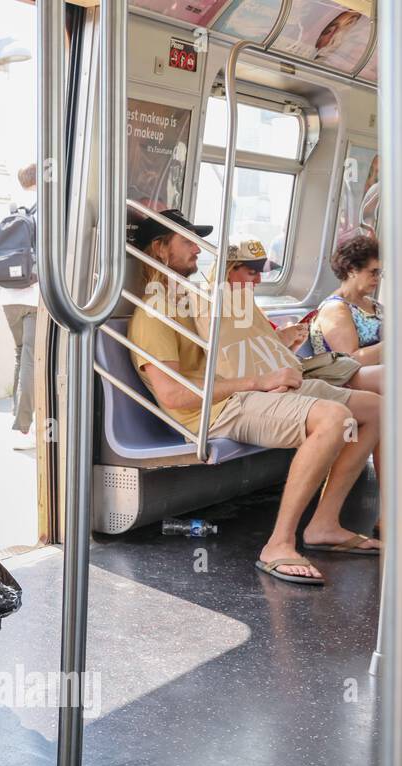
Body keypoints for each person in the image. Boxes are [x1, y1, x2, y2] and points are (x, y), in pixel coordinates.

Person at [126, 211, 382, 586]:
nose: (198, 248)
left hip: (244, 391)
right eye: (187, 241)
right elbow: (176, 395)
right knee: (333, 419)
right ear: (160, 250)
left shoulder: (196, 301)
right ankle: (278, 544)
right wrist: (258, 382)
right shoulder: (155, 314)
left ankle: (325, 524)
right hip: (216, 409)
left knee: (378, 408)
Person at [0, 163, 40, 450]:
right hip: (36, 295)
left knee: (21, 355)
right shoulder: (47, 209)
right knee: (31, 357)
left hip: (7, 296)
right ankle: (24, 429)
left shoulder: (5, 210)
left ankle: (19, 417)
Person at [309, 235, 383, 396]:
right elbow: (350, 360)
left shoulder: (374, 305)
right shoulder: (335, 308)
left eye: (379, 273)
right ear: (351, 270)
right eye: (373, 272)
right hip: (343, 377)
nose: (377, 278)